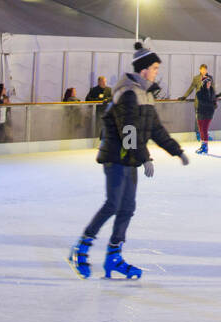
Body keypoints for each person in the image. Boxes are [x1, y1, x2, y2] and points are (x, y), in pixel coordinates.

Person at [69, 42, 189, 280]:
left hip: (130, 158)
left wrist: (176, 150)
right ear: (143, 69)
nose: (156, 72)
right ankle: (80, 249)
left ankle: (114, 255)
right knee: (113, 204)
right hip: (116, 156)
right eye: (154, 67)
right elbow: (129, 130)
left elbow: (155, 128)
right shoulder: (128, 94)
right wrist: (145, 157)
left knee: (127, 208)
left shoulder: (145, 94)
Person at [183, 65, 215, 153]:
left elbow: (213, 95)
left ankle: (204, 144)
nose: (209, 84)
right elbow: (191, 88)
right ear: (200, 70)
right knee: (201, 127)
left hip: (208, 111)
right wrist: (184, 96)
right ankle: (202, 142)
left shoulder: (211, 87)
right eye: (203, 69)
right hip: (200, 107)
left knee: (204, 128)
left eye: (210, 83)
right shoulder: (197, 81)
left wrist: (214, 103)